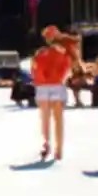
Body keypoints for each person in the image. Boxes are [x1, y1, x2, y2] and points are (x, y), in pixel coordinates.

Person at [31, 26, 72, 161]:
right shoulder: (61, 52)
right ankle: (56, 147)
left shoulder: (41, 53)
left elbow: (35, 69)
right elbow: (67, 68)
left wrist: (39, 79)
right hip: (54, 85)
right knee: (56, 117)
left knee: (47, 117)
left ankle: (48, 144)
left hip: (45, 86)